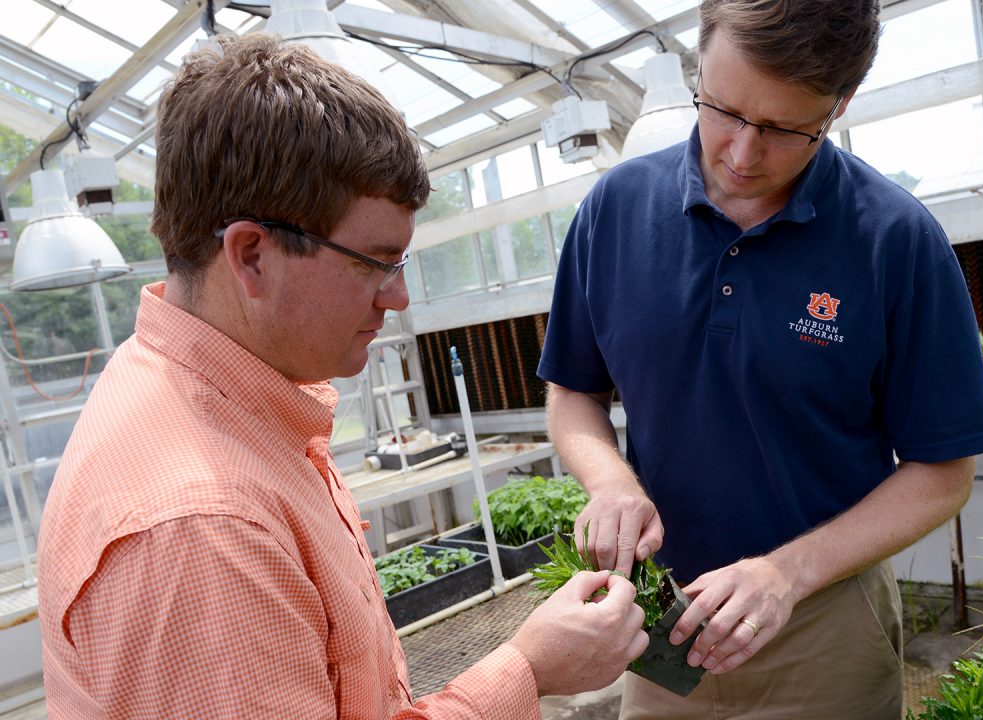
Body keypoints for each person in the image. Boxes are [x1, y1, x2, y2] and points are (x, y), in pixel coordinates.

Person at [38, 32, 647, 719]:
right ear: (251, 256)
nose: (399, 297)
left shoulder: (228, 399)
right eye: (373, 262)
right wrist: (527, 670)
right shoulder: (201, 528)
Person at [537, 0, 983, 717]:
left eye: (786, 129)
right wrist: (610, 484)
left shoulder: (894, 240)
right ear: (699, 64)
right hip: (665, 623)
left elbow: (943, 472)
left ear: (840, 103)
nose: (741, 154)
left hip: (824, 624)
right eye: (722, 109)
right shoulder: (614, 212)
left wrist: (787, 573)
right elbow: (573, 391)